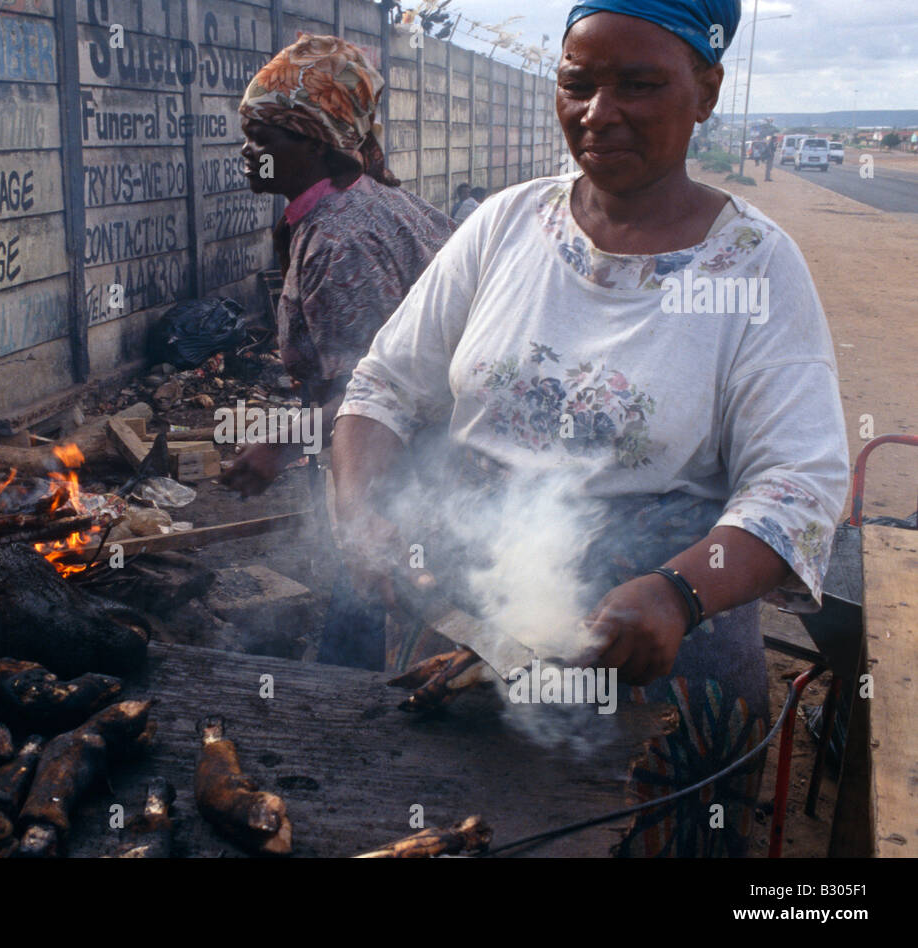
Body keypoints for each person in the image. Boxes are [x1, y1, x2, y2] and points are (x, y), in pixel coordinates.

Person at [330, 0, 849, 857]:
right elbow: (382, 387)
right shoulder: (505, 225)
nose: (598, 114)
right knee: (448, 833)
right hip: (468, 625)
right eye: (577, 83)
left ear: (707, 90)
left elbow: (797, 490)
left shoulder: (755, 266)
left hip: (657, 651)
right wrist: (359, 513)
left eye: (639, 86)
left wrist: (678, 593)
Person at [221, 33, 455, 669]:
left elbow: (378, 397)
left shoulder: (341, 242)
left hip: (410, 477)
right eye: (247, 133)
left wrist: (281, 440)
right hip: (415, 469)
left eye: (267, 135)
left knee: (370, 641)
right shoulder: (371, 203)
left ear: (318, 142)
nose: (248, 151)